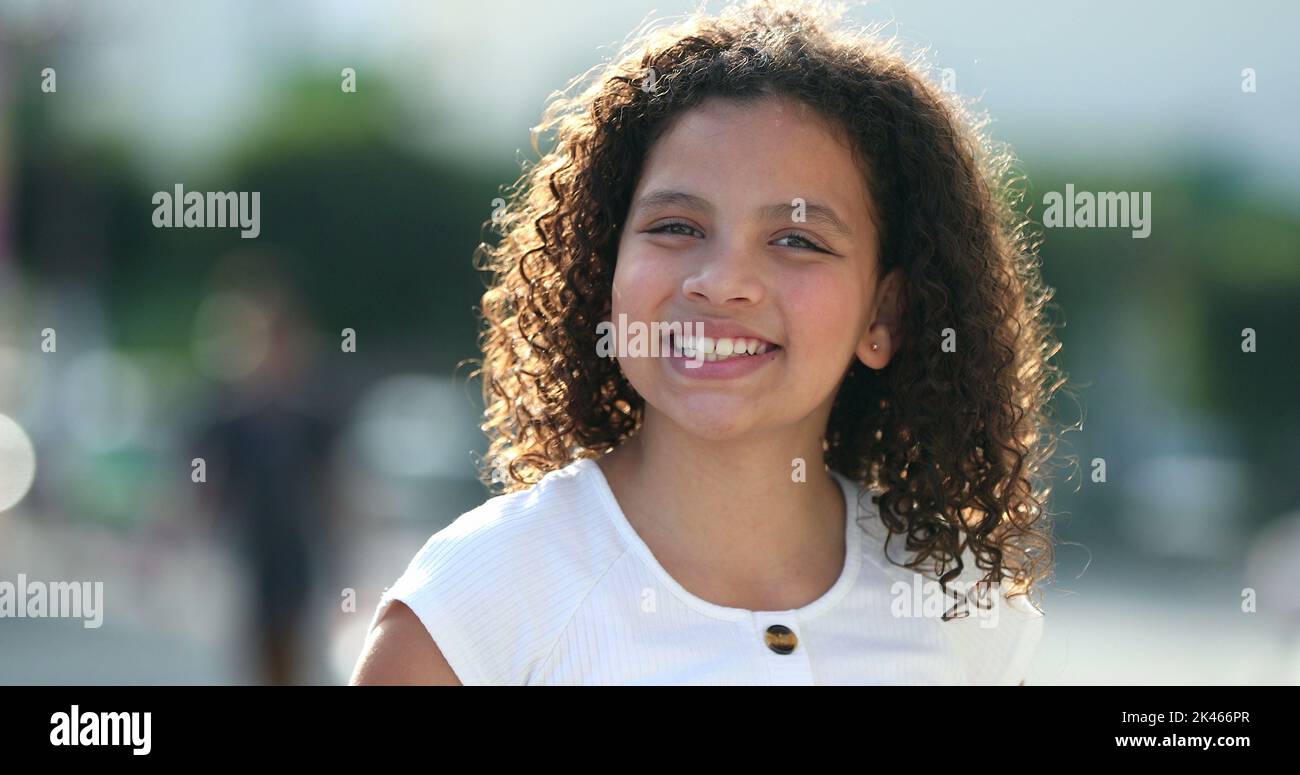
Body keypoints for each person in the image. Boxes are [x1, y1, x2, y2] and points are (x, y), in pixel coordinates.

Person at [352, 0, 1064, 685]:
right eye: (677, 227)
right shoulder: (471, 611)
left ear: (885, 316)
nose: (722, 283)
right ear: (606, 271)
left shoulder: (963, 615)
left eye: (796, 239)